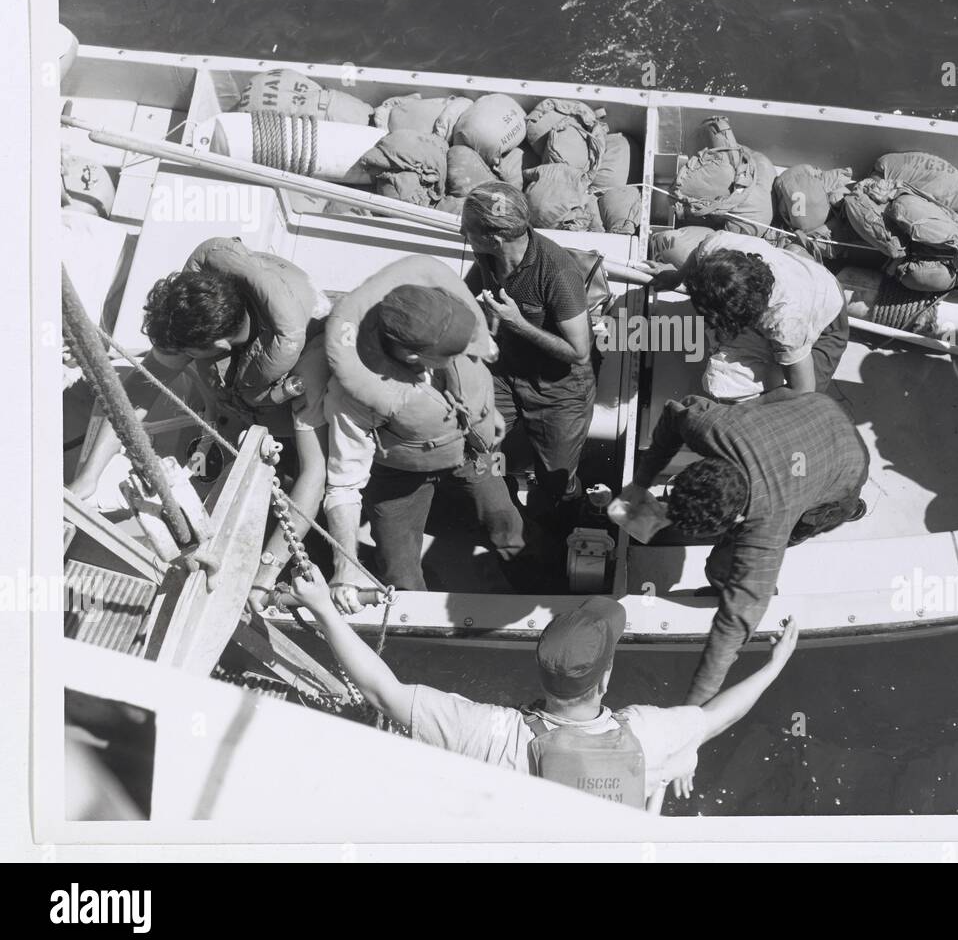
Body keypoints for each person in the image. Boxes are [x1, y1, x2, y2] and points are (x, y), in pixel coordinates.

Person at [285, 561, 800, 809]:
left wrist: (324, 607)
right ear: (607, 680)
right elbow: (720, 715)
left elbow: (383, 692)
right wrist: (775, 666)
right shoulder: (648, 733)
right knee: (677, 763)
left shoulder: (494, 734)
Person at [68, 237, 332, 611]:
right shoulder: (200, 315)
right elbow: (137, 394)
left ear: (220, 346)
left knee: (311, 546)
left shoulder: (308, 363)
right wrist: (90, 475)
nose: (179, 361)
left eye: (188, 355)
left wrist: (266, 571)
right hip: (234, 424)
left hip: (306, 447)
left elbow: (315, 475)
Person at [621, 389, 869, 704]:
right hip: (819, 409)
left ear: (740, 518)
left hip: (848, 469)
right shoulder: (709, 426)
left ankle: (852, 508)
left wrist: (691, 713)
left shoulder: (768, 524)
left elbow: (737, 620)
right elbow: (674, 414)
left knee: (722, 567)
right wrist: (640, 484)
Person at [322, 254, 530, 609]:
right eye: (453, 352)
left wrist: (489, 412)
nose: (466, 352)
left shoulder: (450, 325)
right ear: (413, 356)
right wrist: (345, 564)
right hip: (399, 474)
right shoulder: (355, 396)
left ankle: (528, 581)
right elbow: (343, 484)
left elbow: (474, 372)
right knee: (398, 570)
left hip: (471, 453)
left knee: (505, 518)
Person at [461, 183, 598, 524]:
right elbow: (467, 290)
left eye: (468, 229)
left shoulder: (557, 272)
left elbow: (580, 352)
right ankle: (500, 499)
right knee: (478, 446)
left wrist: (516, 323)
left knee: (556, 480)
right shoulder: (487, 253)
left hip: (560, 388)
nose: (462, 233)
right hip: (508, 371)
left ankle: (558, 518)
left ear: (495, 237)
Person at [642, 230, 848, 401]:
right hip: (799, 272)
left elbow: (803, 391)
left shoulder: (785, 322)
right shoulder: (717, 246)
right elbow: (699, 253)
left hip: (827, 320)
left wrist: (756, 406)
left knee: (725, 387)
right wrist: (677, 277)